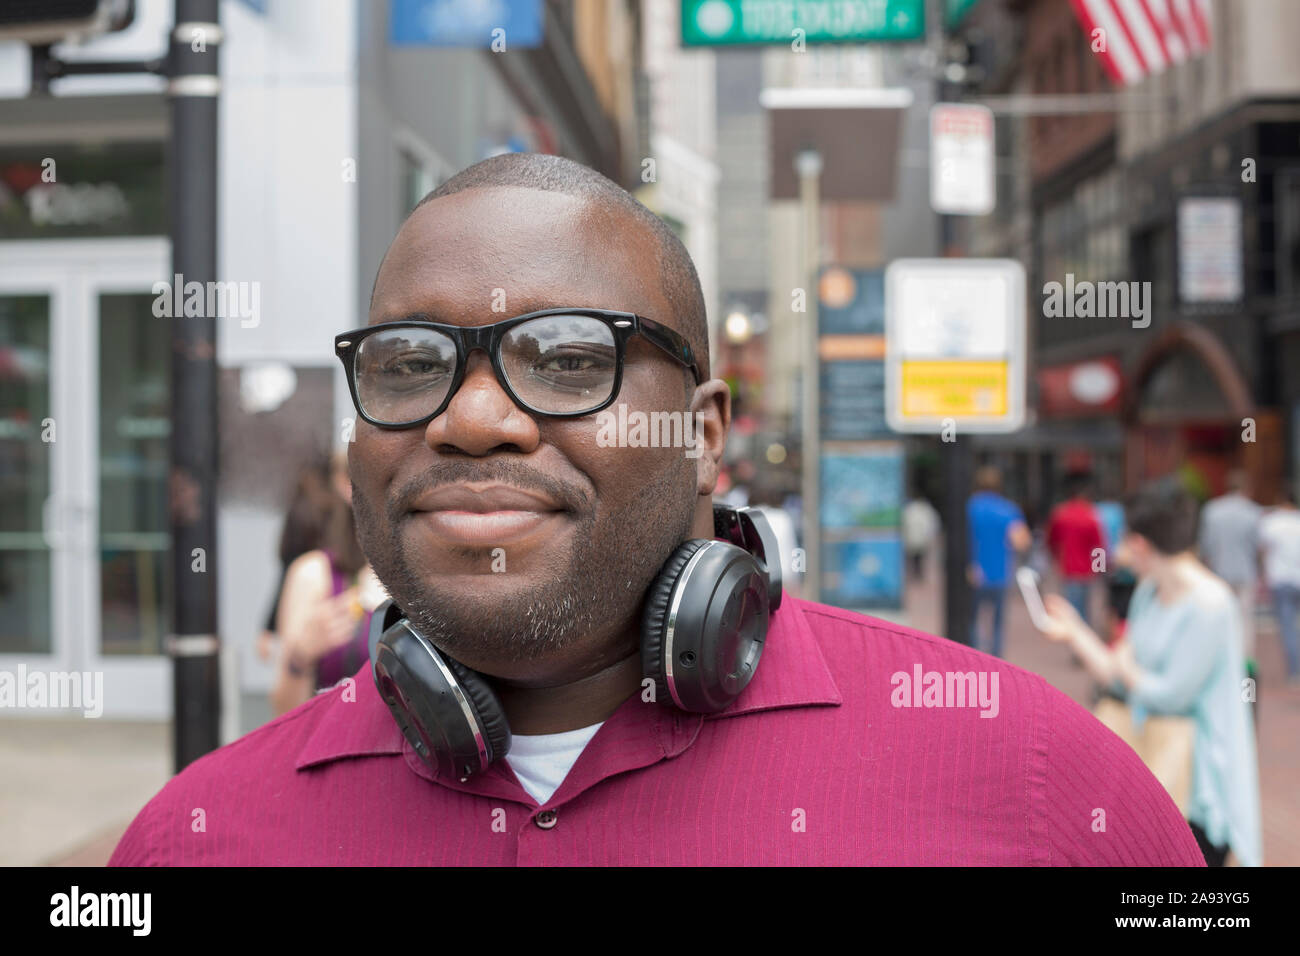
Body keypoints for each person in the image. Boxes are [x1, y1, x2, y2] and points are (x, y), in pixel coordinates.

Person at [109, 153, 1201, 866]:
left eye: (570, 356)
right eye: (409, 362)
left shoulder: (1039, 784)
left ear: (705, 431)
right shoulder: (190, 843)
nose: (474, 417)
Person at [1033, 477, 1262, 867]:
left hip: (1198, 781)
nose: (1118, 551)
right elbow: (1117, 673)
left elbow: (1171, 694)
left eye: (1123, 540)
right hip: (1155, 769)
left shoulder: (1212, 603)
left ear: (1140, 544)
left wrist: (1127, 665)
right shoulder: (1147, 592)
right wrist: (1074, 630)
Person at [268, 450, 387, 716]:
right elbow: (284, 710)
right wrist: (300, 657)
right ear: (345, 485)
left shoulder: (431, 577)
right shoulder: (314, 574)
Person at [255, 455, 338, 664]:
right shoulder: (331, 512)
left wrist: (268, 628)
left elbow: (286, 571)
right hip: (331, 607)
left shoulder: (302, 512)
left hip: (302, 606)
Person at [1198, 470, 1262, 674]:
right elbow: (1258, 547)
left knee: (1219, 615)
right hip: (1245, 572)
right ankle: (1244, 662)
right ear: (1246, 489)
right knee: (1245, 618)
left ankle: (1221, 657)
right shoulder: (1254, 512)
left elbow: (1205, 546)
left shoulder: (1212, 510)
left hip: (1220, 572)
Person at [967, 466, 1031, 658]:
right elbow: (1022, 542)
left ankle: (972, 656)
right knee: (997, 621)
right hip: (1000, 573)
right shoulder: (1008, 509)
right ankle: (995, 659)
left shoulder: (969, 507)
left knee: (972, 619)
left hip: (973, 572)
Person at [1046, 470, 1106, 629]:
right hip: (1087, 570)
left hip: (1069, 568)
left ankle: (1077, 644)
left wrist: (1056, 559)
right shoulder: (1091, 515)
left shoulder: (1061, 514)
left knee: (1072, 609)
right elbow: (1098, 545)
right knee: (1086, 610)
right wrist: (1099, 569)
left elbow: (1051, 541)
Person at [1258, 489, 1300, 682]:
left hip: (1281, 579)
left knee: (1287, 625)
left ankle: (1295, 669)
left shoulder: (1272, 522)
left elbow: (1262, 550)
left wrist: (1262, 574)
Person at [901, 494, 940, 581]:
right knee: (920, 558)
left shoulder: (909, 510)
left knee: (914, 558)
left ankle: (915, 573)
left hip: (912, 538)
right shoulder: (926, 510)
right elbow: (932, 525)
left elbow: (904, 524)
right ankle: (919, 574)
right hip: (922, 539)